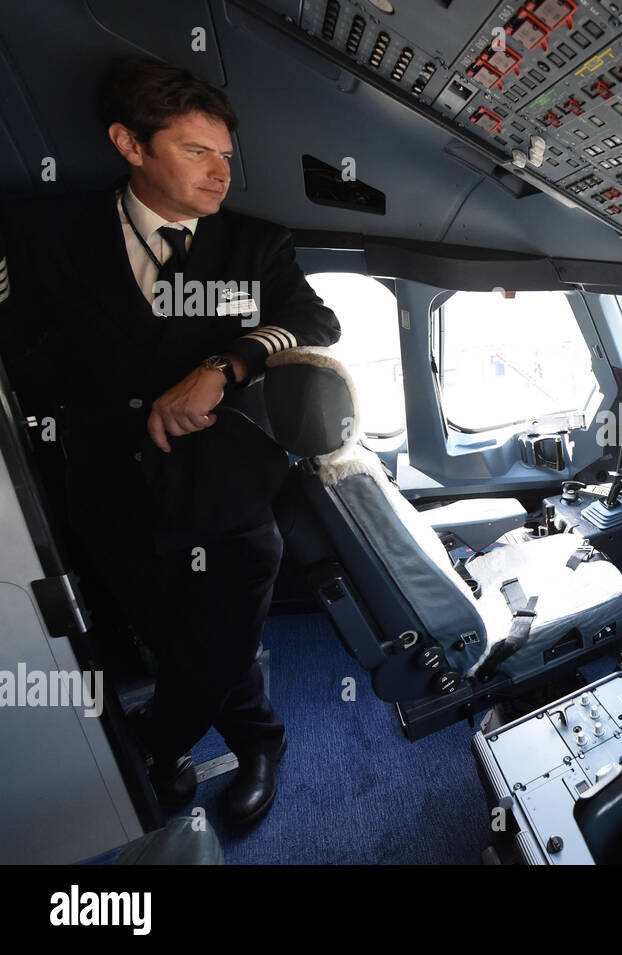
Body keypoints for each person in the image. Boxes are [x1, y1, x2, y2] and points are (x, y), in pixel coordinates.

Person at [0, 58, 341, 827]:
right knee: (175, 640)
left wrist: (226, 364)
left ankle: (173, 747)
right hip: (112, 493)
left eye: (226, 155)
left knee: (219, 639)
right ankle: (243, 738)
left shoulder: (257, 246)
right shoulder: (45, 231)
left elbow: (317, 325)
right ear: (129, 144)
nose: (221, 173)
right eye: (196, 151)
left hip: (231, 494)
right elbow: (18, 343)